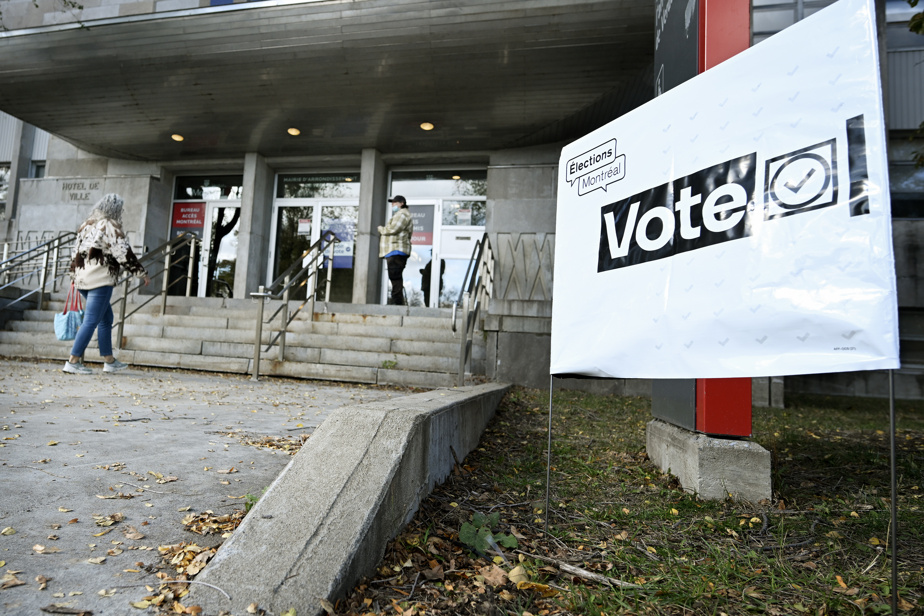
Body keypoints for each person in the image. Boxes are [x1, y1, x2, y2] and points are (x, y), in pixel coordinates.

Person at [63, 194, 150, 374]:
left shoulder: (87, 224)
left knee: (106, 318)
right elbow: (123, 253)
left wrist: (73, 276)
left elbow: (75, 253)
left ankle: (109, 361)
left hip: (82, 279)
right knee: (91, 321)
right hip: (99, 280)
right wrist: (141, 273)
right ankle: (72, 361)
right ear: (116, 209)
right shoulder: (110, 225)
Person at [378, 195, 413, 305]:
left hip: (396, 250)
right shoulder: (402, 214)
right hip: (396, 250)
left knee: (395, 278)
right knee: (396, 278)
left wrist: (381, 229)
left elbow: (393, 229)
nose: (392, 204)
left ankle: (397, 304)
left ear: (401, 203)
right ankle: (398, 303)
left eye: (394, 202)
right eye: (392, 203)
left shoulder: (402, 214)